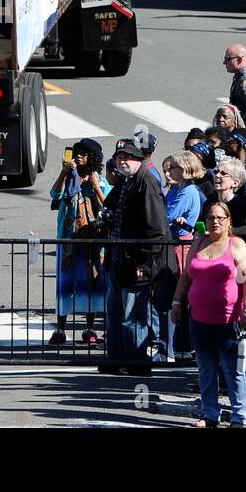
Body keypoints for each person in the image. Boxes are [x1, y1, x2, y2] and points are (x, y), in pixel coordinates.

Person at [170, 202, 246, 427]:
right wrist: (177, 302)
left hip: (228, 320)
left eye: (220, 217)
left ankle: (239, 417)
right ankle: (210, 414)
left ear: (229, 221)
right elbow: (187, 276)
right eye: (210, 217)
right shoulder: (199, 242)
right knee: (206, 369)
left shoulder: (237, 245)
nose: (214, 221)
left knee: (232, 371)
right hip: (200, 318)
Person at [98, 140, 174, 375]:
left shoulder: (147, 182)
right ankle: (116, 358)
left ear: (139, 159)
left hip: (135, 262)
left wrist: (144, 265)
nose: (122, 161)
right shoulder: (127, 181)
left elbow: (156, 230)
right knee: (115, 312)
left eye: (127, 157)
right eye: (119, 158)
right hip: (117, 257)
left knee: (134, 315)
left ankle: (137, 362)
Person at [48, 139, 110, 346]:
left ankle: (90, 328)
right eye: (77, 153)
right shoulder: (69, 178)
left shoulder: (100, 181)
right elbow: (54, 194)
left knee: (91, 283)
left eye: (84, 153)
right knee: (65, 284)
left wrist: (95, 186)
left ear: (93, 158)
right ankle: (60, 329)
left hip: (93, 240)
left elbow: (108, 206)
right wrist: (64, 173)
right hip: (68, 238)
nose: (79, 156)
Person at [154, 150, 204, 361]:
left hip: (180, 246)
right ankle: (174, 347)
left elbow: (167, 216)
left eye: (173, 167)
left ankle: (173, 348)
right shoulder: (176, 190)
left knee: (176, 296)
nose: (168, 172)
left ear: (185, 170)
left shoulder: (188, 192)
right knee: (170, 297)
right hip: (173, 242)